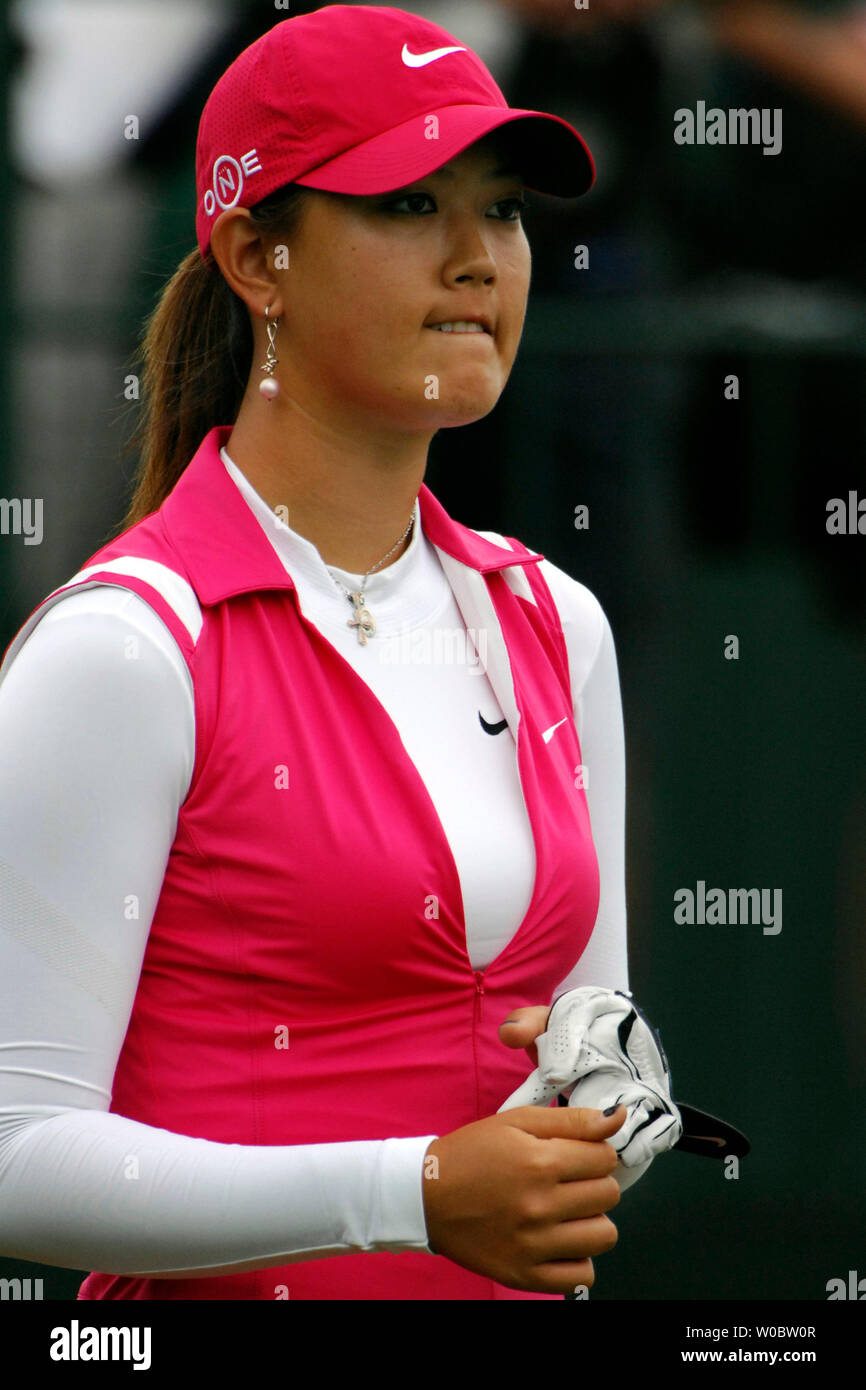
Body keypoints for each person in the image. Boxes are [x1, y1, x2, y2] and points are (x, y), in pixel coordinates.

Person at [0, 4, 645, 1301]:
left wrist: (617, 1101)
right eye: (409, 205)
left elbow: (597, 1040)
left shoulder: (555, 619)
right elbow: (15, 1154)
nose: (479, 258)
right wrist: (410, 1190)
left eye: (503, 207)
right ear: (257, 256)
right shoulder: (124, 649)